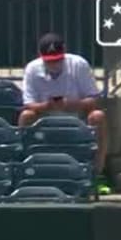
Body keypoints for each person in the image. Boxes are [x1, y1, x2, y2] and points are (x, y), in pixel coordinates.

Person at [20, 32, 109, 194]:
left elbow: (94, 100)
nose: (54, 64)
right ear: (41, 56)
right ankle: (27, 171)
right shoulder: (32, 69)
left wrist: (70, 104)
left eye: (57, 60)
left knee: (98, 116)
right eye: (50, 61)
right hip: (44, 118)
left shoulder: (79, 64)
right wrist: (48, 106)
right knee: (26, 117)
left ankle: (97, 174)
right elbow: (28, 104)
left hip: (77, 117)